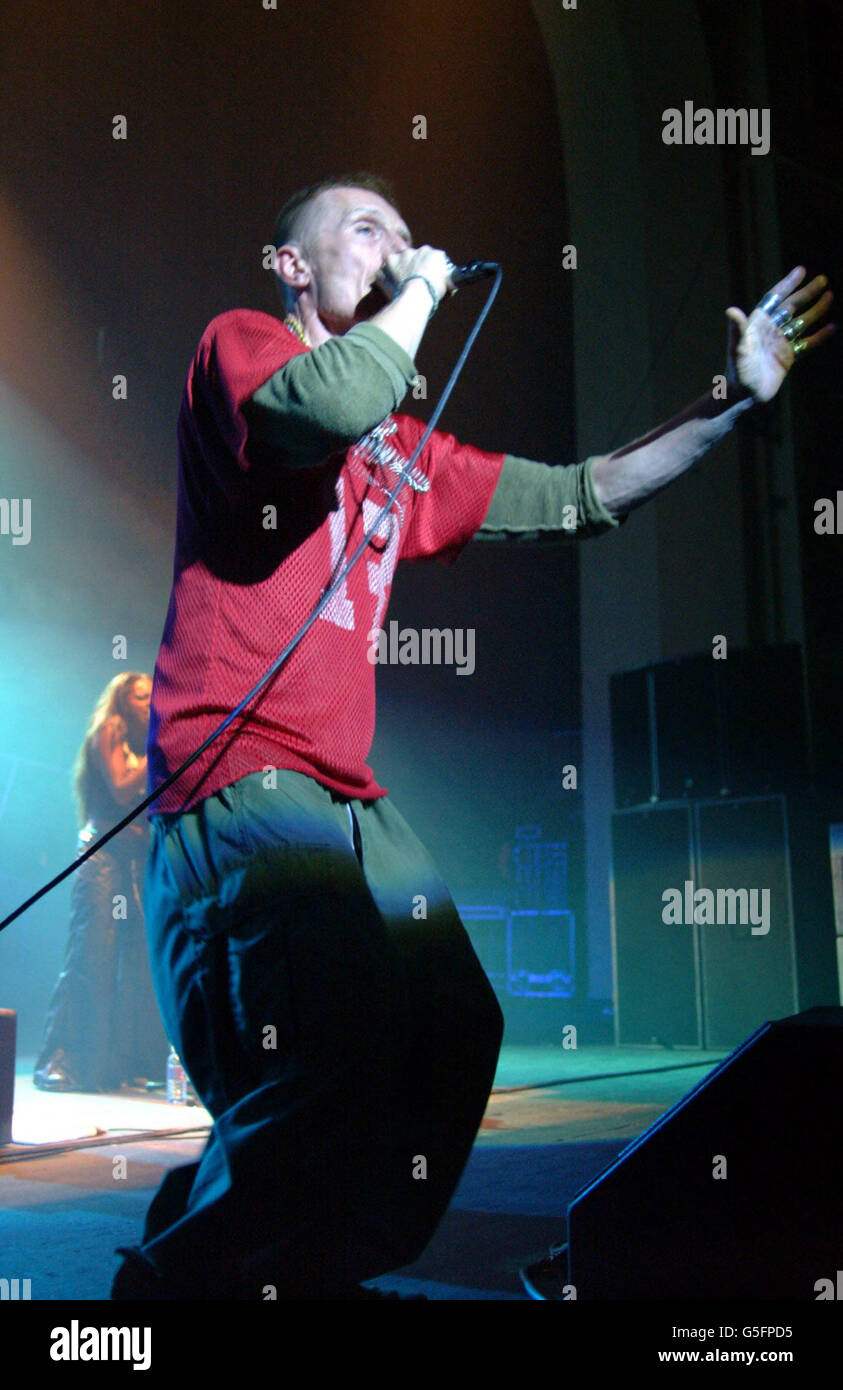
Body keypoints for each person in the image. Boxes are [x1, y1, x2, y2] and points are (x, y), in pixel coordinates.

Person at [111, 174, 833, 1300]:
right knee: (332, 1036)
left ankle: (291, 1261)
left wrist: (731, 405)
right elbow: (319, 409)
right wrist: (431, 286)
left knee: (452, 1022)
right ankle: (175, 1288)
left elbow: (581, 491)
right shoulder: (244, 344)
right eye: (366, 229)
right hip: (239, 766)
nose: (399, 246)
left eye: (408, 234)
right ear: (292, 264)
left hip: (346, 792)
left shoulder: (404, 449)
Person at [34, 672, 169, 1093]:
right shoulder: (109, 731)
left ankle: (114, 1064)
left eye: (152, 696)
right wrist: (159, 754)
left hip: (136, 860)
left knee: (136, 964)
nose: (149, 703)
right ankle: (64, 1059)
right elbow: (122, 785)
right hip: (103, 855)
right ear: (120, 701)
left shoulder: (149, 740)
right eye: (139, 696)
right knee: (92, 954)